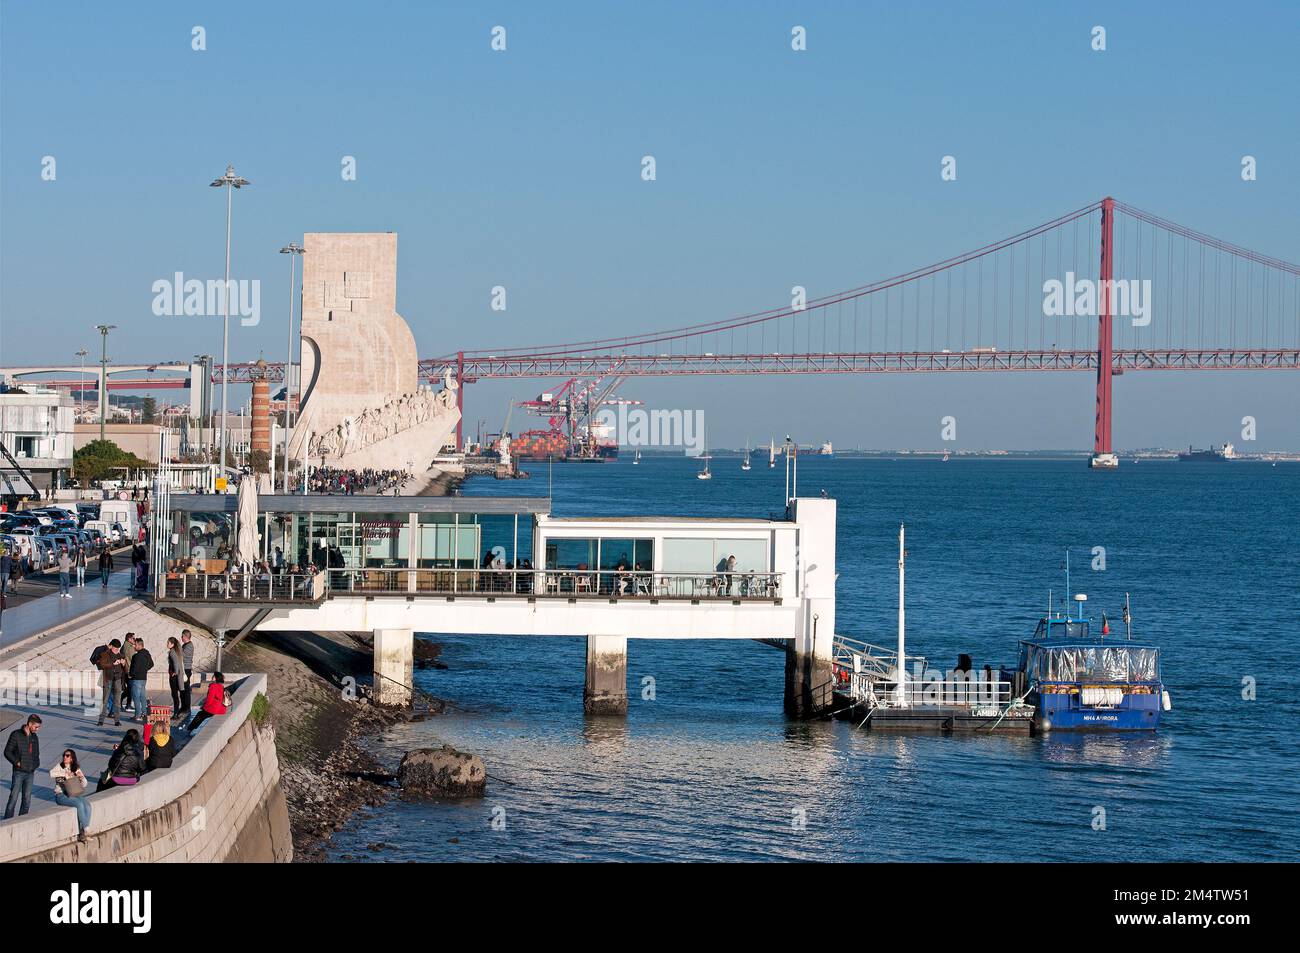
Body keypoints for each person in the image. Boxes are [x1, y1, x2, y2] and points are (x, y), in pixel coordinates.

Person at [3, 714, 42, 819]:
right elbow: (7, 752)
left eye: (38, 727)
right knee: (13, 798)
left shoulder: (35, 737)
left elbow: (36, 753)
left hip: (30, 773)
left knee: (27, 799)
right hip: (18, 772)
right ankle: (7, 820)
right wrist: (17, 763)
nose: (37, 729)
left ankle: (22, 820)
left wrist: (35, 764)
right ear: (29, 724)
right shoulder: (16, 735)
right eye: (36, 727)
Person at [50, 748, 92, 842]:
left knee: (88, 806)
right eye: (64, 755)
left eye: (67, 755)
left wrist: (80, 778)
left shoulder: (75, 768)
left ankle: (83, 832)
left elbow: (85, 784)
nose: (65, 757)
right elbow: (51, 773)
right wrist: (65, 774)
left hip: (73, 793)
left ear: (72, 758)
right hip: (61, 795)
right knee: (79, 804)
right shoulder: (59, 766)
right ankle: (86, 829)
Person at [96, 639, 126, 727]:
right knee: (105, 700)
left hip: (118, 679)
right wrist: (113, 663)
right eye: (115, 648)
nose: (117, 650)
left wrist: (124, 664)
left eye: (118, 648)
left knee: (117, 701)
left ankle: (117, 720)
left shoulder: (121, 655)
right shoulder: (105, 654)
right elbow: (102, 664)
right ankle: (101, 720)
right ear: (111, 646)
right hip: (108, 679)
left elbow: (125, 669)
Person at [128, 635, 153, 721]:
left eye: (135, 645)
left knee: (136, 697)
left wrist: (131, 674)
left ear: (139, 645)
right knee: (142, 696)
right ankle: (144, 713)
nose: (134, 646)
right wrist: (144, 669)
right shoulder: (147, 653)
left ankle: (137, 715)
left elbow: (134, 667)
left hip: (136, 679)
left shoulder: (137, 656)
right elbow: (151, 664)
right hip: (143, 678)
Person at [166, 636, 185, 715]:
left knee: (174, 695)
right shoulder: (177, 650)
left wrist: (175, 672)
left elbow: (175, 662)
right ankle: (178, 711)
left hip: (174, 676)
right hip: (178, 676)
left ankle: (176, 713)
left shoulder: (172, 652)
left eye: (168, 643)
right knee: (178, 694)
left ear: (172, 644)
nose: (167, 644)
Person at [179, 629, 194, 717]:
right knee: (182, 689)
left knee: (186, 690)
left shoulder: (189, 646)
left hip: (186, 670)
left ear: (185, 636)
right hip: (183, 669)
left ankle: (187, 708)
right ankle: (183, 707)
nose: (181, 638)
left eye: (182, 636)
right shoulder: (185, 645)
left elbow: (182, 656)